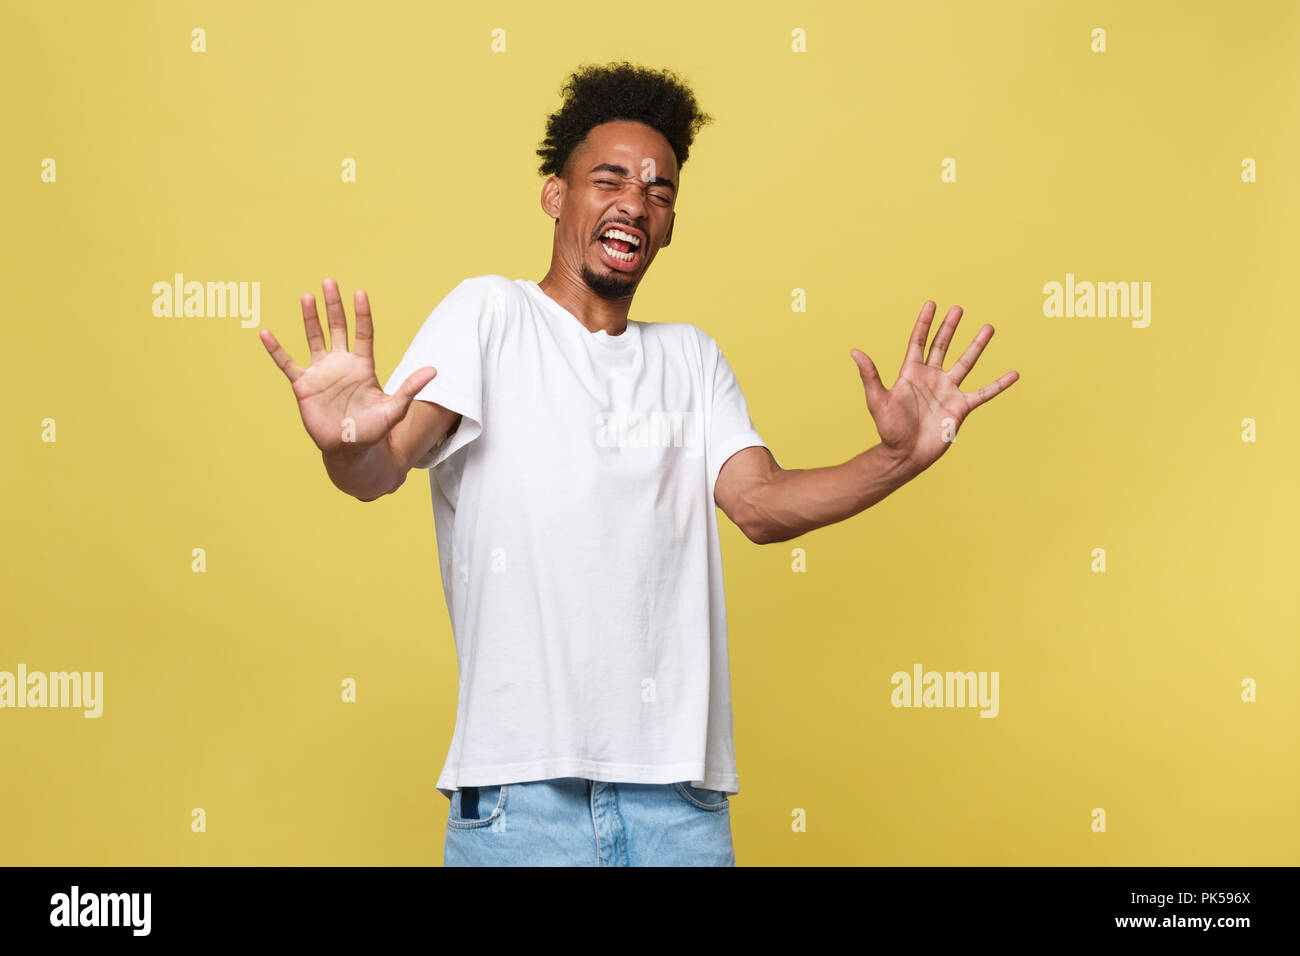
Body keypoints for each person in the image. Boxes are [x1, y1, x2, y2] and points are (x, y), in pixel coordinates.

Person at [258, 61, 1019, 866]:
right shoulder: (491, 315)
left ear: (669, 225)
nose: (635, 201)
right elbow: (382, 469)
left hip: (679, 810)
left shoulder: (690, 358)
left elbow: (759, 507)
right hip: (521, 802)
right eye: (610, 178)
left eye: (658, 192)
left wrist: (897, 457)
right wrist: (348, 443)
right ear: (557, 195)